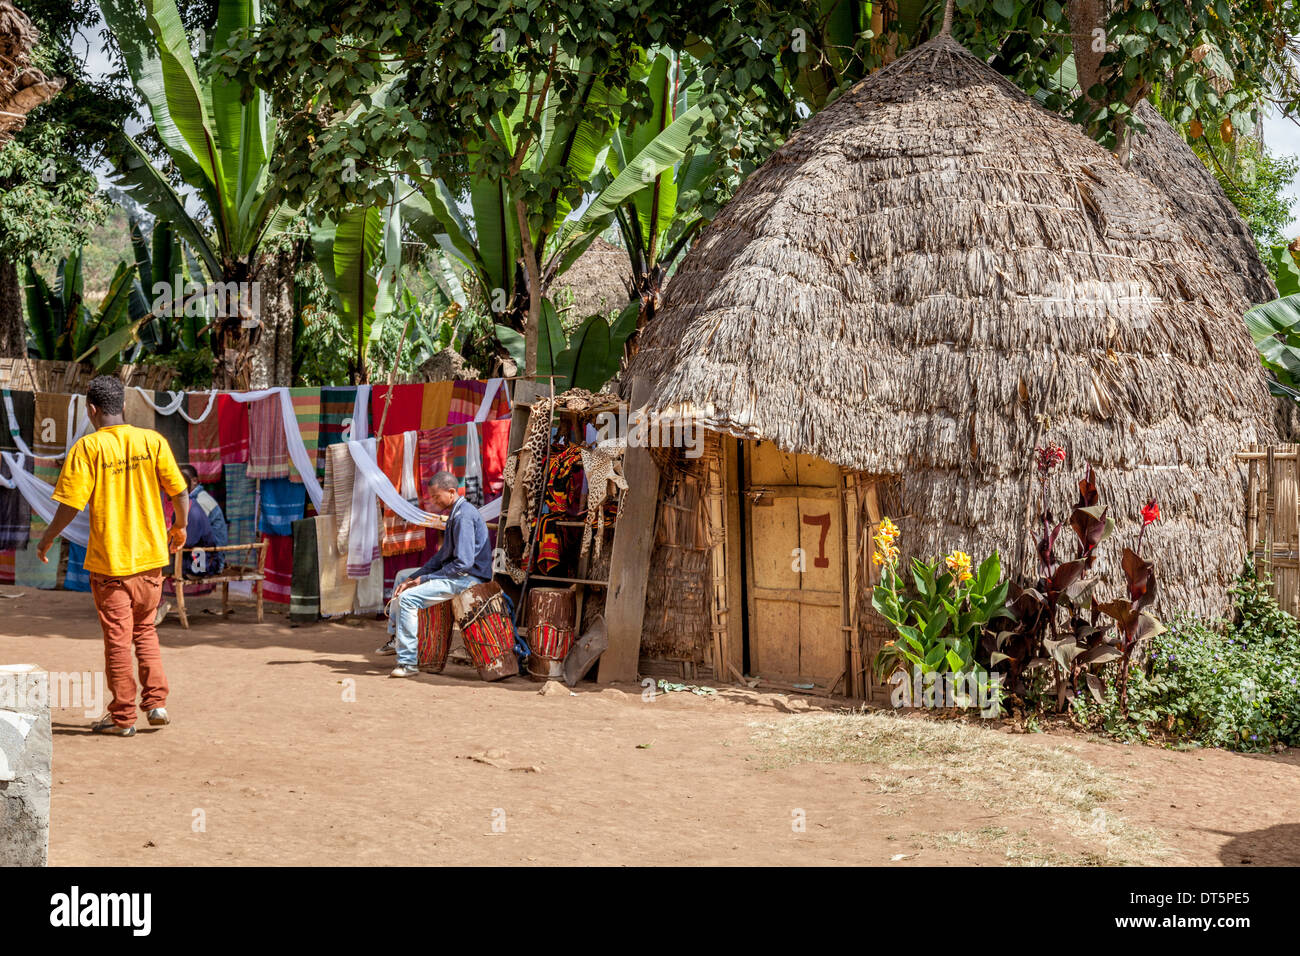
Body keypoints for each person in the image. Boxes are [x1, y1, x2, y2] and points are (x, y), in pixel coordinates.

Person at [37, 375, 189, 737]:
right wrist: (179, 528)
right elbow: (179, 493)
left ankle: (123, 717)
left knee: (118, 641)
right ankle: (156, 704)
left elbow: (70, 506)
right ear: (122, 405)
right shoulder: (152, 441)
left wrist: (46, 539)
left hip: (110, 565)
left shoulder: (87, 448)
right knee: (145, 631)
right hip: (151, 561)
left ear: (91, 409)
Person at [379, 470, 492, 678]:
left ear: (451, 491)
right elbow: (441, 557)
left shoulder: (463, 516)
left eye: (436, 496)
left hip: (469, 579)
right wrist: (415, 578)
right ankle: (396, 638)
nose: (434, 501)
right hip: (458, 574)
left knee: (407, 599)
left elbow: (464, 564)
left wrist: (426, 579)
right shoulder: (455, 513)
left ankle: (407, 663)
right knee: (403, 578)